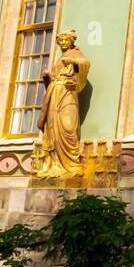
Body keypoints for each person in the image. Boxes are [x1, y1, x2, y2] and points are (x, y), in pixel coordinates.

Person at [33, 30, 90, 178]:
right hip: (54, 94)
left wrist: (73, 62)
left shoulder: (76, 54)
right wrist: (48, 77)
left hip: (68, 94)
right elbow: (55, 77)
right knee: (52, 128)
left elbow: (85, 63)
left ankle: (73, 165)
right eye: (61, 41)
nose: (63, 43)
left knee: (68, 127)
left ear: (72, 41)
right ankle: (54, 164)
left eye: (66, 40)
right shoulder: (60, 58)